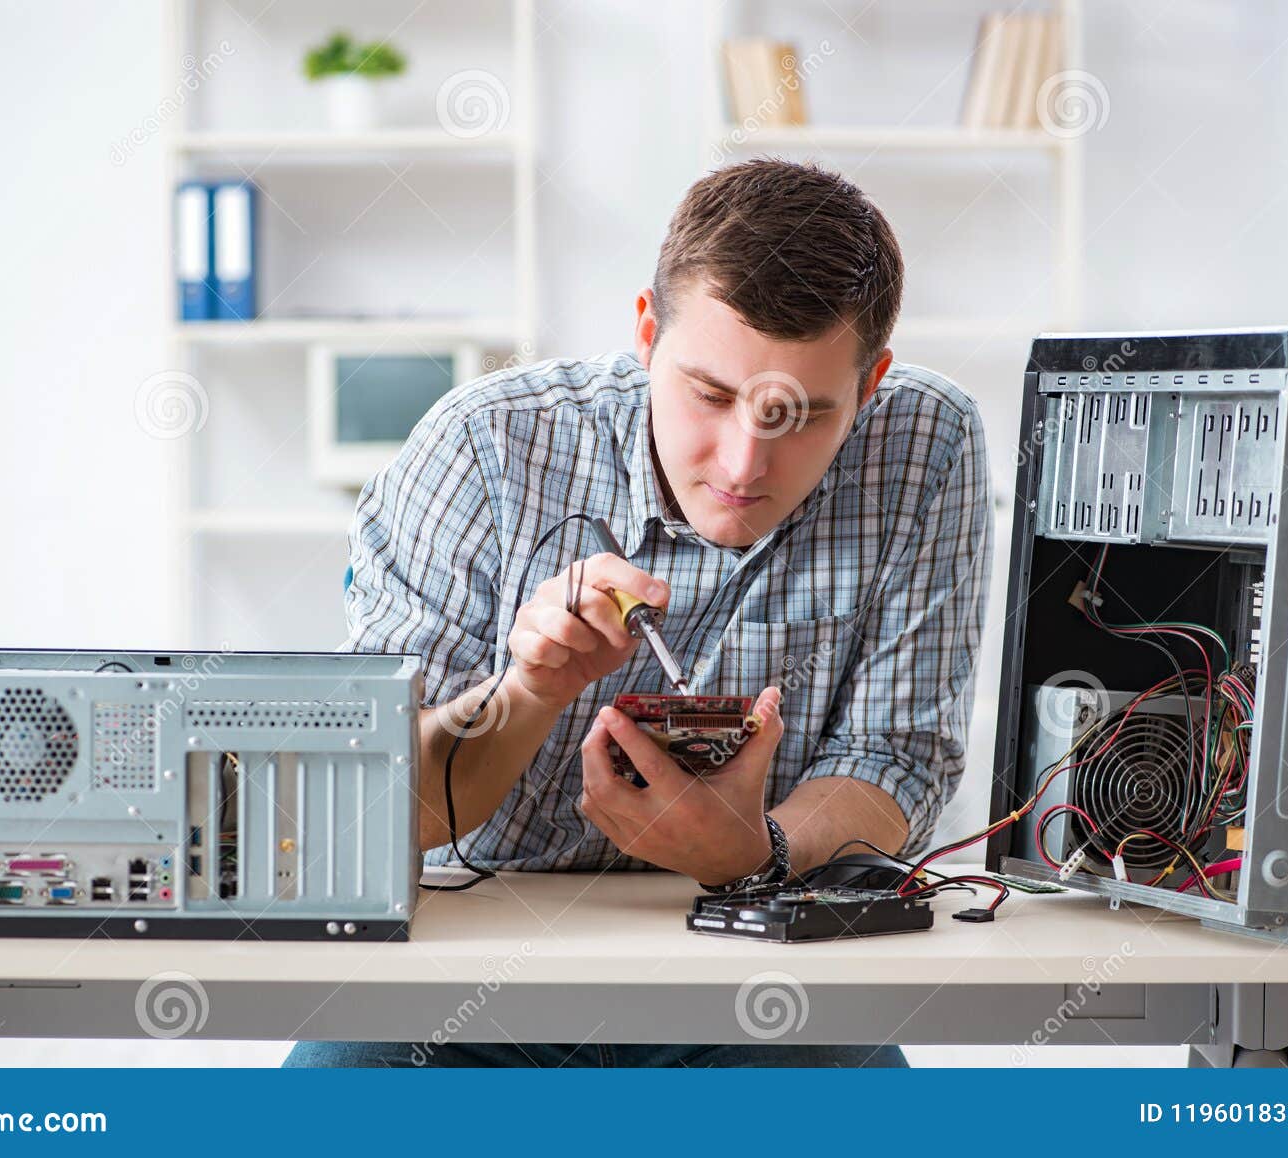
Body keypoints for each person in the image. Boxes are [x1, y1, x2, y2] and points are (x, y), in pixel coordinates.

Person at [284, 158, 992, 1068]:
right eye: (709, 395)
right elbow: (372, 811)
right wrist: (526, 694)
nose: (743, 466)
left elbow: (896, 759)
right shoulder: (484, 446)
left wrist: (756, 852)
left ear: (872, 384)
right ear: (647, 332)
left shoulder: (925, 443)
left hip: (760, 966)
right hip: (464, 974)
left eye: (805, 414)